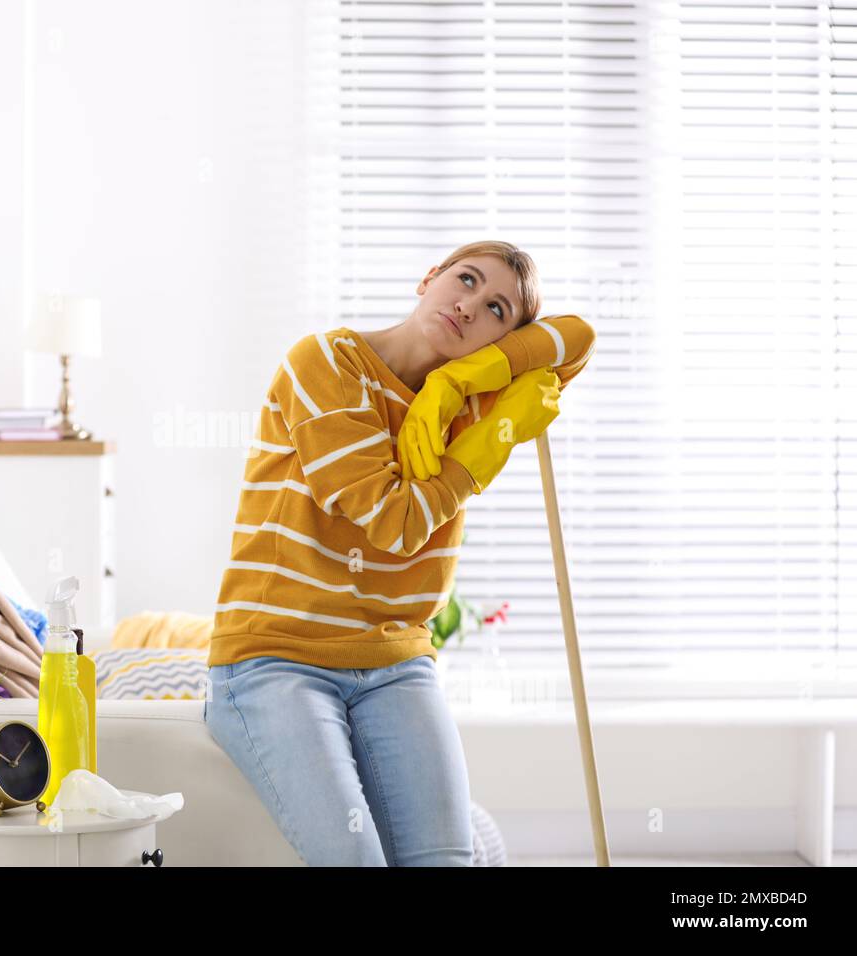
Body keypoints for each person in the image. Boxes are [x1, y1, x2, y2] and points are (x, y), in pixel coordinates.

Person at [203, 239, 596, 865]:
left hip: (396, 663)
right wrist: (479, 453)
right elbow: (393, 522)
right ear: (429, 278)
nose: (469, 306)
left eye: (497, 310)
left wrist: (461, 380)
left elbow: (577, 340)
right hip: (276, 660)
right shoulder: (326, 363)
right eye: (465, 280)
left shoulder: (469, 398)